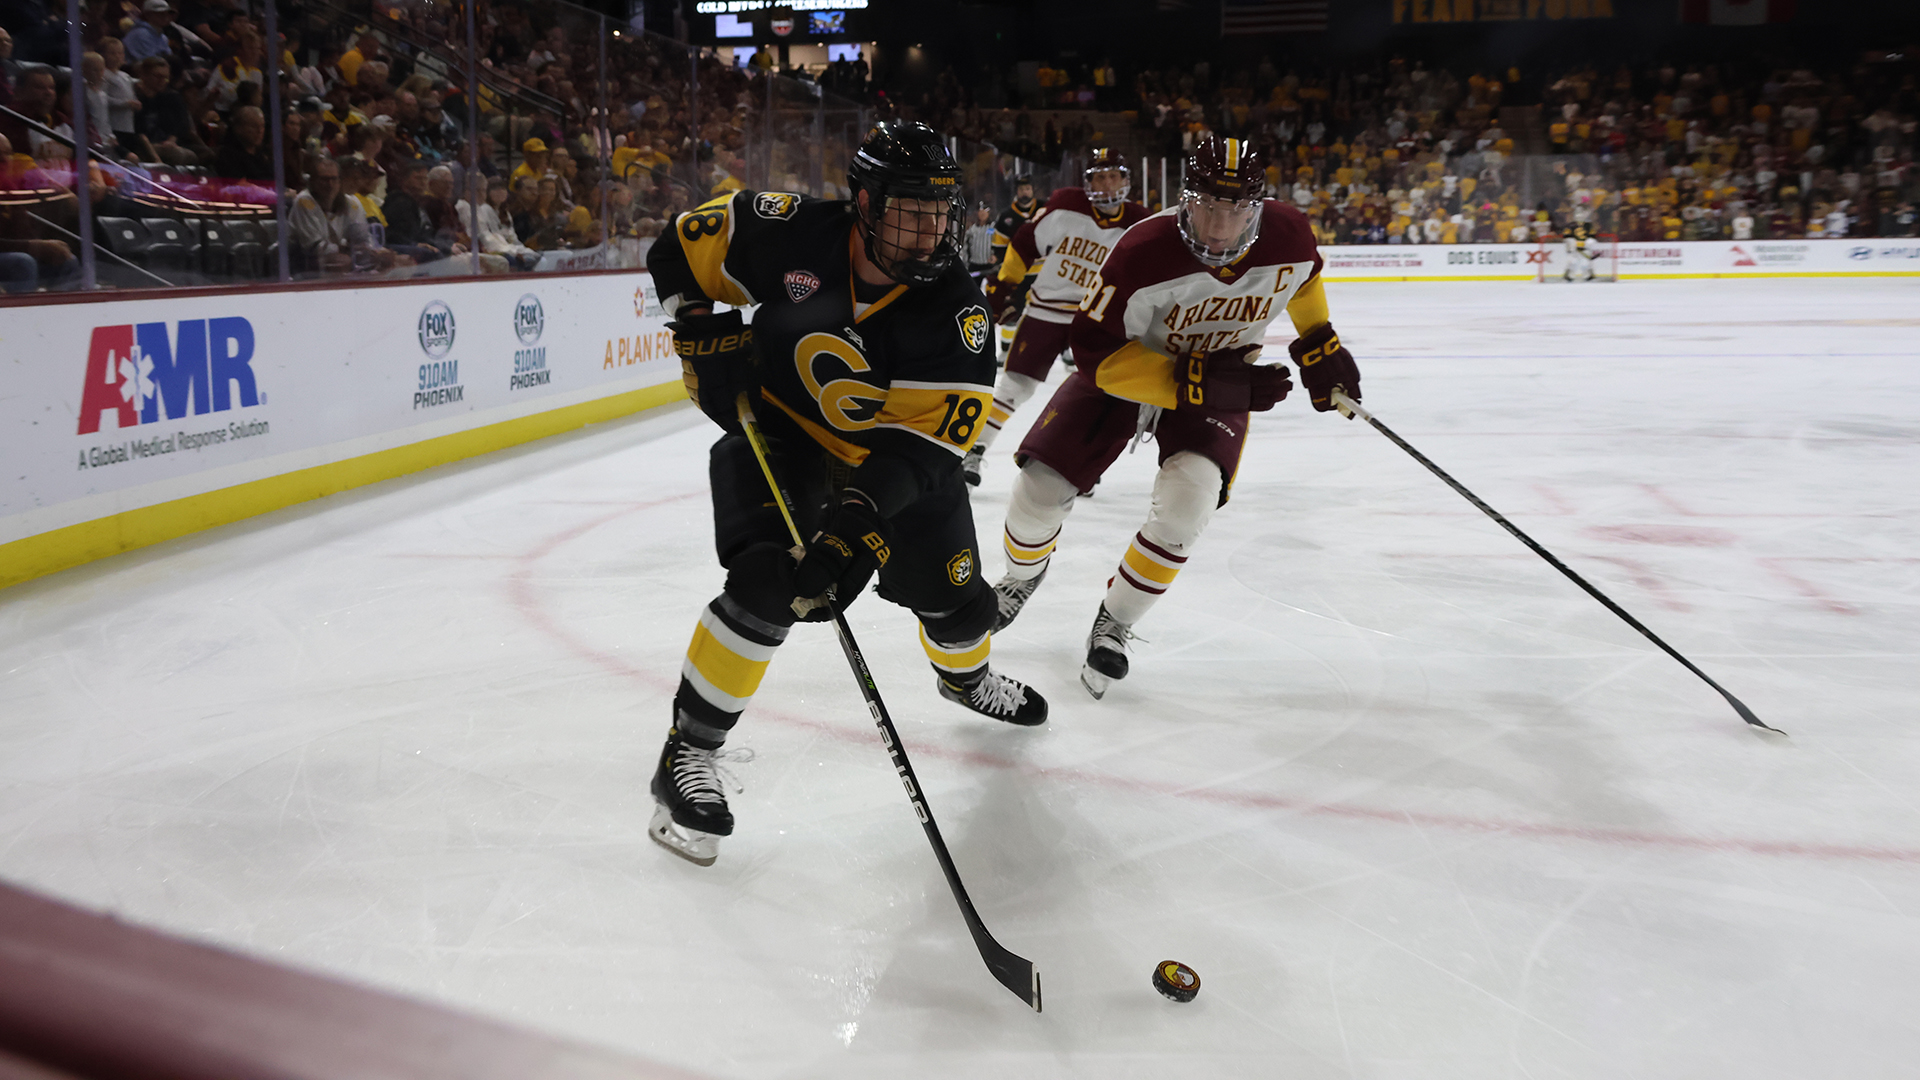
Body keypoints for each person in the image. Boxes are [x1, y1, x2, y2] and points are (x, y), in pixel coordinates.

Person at [643, 120, 1050, 866]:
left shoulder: (958, 314)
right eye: (911, 210)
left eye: (940, 213)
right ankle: (686, 753)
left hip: (890, 468)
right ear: (864, 200)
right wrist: (696, 326)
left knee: (964, 608)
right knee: (769, 580)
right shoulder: (787, 231)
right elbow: (676, 248)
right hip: (782, 432)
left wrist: (851, 524)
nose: (931, 232)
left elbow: (922, 450)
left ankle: (966, 681)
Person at [991, 135, 1362, 699]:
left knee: (1189, 509)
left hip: (1219, 381)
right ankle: (1021, 577)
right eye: (1208, 205)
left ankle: (1115, 620)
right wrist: (1199, 381)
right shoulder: (1143, 250)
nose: (1219, 225)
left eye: (1236, 208)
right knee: (1037, 487)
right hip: (1131, 372)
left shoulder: (1289, 233)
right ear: (1184, 198)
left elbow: (1304, 279)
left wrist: (1320, 342)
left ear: (1257, 207)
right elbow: (1094, 353)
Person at [964, 147, 1152, 485]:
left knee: (1099, 395)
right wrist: (1003, 287)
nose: (1106, 184)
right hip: (1046, 310)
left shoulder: (1141, 223)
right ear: (1088, 181)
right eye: (1098, 177)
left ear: (1126, 180)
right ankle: (975, 452)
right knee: (1014, 387)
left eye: (1113, 176)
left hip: (1097, 319)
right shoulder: (1066, 205)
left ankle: (1080, 464)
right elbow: (1025, 243)